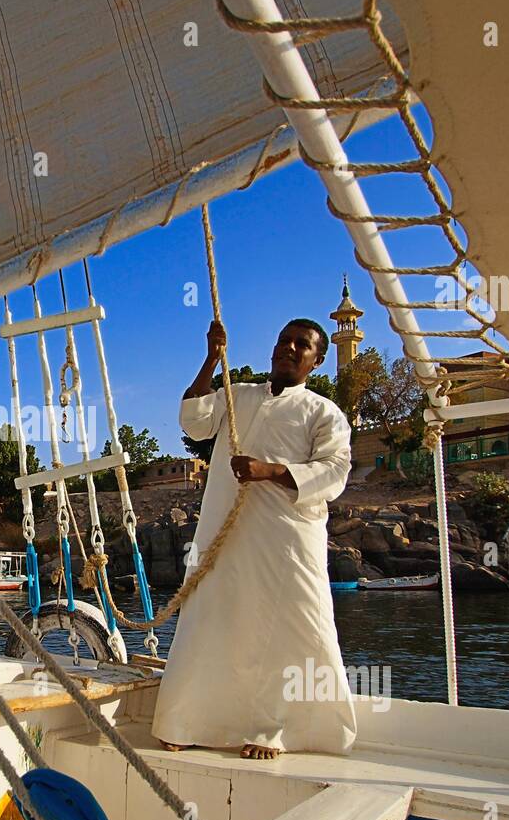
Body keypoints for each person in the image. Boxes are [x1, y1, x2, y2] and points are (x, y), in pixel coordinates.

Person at [151, 318, 356, 759]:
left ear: (317, 362)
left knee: (294, 625)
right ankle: (189, 721)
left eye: (302, 345)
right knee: (212, 614)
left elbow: (336, 472)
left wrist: (270, 472)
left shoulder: (324, 412)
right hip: (225, 532)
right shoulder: (238, 393)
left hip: (287, 540)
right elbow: (193, 420)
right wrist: (212, 357)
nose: (289, 348)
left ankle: (278, 730)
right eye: (284, 340)